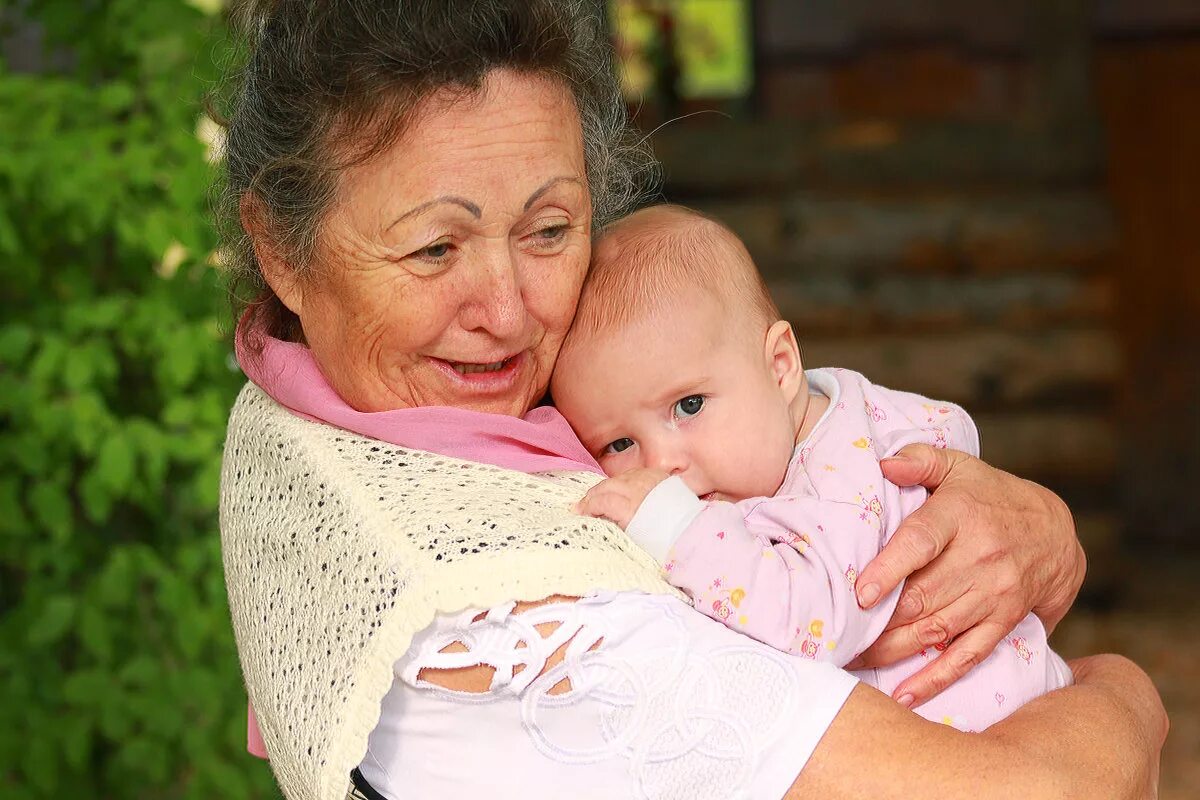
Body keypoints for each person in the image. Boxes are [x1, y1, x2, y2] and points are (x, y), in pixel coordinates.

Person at [215, 2, 1166, 799]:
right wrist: (1125, 693)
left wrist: (1025, 517)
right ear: (282, 250)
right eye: (434, 249)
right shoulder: (507, 621)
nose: (507, 312)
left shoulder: (328, 412)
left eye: (549, 230)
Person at [552, 205, 1073, 732]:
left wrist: (673, 525)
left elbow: (813, 624)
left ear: (780, 368)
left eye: (689, 406)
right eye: (619, 443)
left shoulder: (839, 477)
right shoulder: (813, 429)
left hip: (1007, 739)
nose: (663, 465)